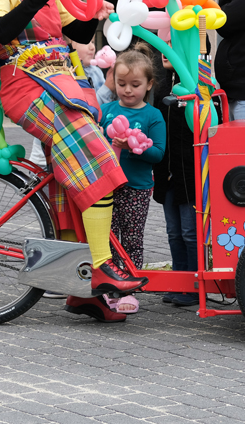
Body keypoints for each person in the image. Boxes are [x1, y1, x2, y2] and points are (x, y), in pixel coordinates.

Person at [0, 0, 147, 324]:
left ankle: (81, 286)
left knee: (72, 179)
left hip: (62, 82)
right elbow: (1, 32)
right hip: (23, 84)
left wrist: (95, 13)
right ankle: (103, 266)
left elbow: (75, 30)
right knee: (93, 152)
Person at [99, 46, 167, 314]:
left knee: (131, 238)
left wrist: (132, 147)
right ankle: (106, 285)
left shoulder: (153, 115)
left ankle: (129, 286)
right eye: (122, 83)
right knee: (104, 237)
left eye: (135, 85)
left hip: (136, 188)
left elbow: (158, 154)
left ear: (149, 84)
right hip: (105, 185)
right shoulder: (104, 110)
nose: (127, 90)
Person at [153, 48, 200, 308]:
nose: (165, 48)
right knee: (173, 232)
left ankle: (193, 285)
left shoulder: (198, 86)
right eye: (163, 41)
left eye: (172, 41)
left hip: (189, 173)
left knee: (190, 232)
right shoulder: (161, 88)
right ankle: (178, 281)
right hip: (167, 172)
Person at [29, 39, 114, 167]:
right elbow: (82, 106)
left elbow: (99, 108)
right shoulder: (62, 70)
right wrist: (106, 88)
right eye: (86, 42)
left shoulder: (96, 71)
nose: (92, 47)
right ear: (70, 45)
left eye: (93, 42)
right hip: (48, 156)